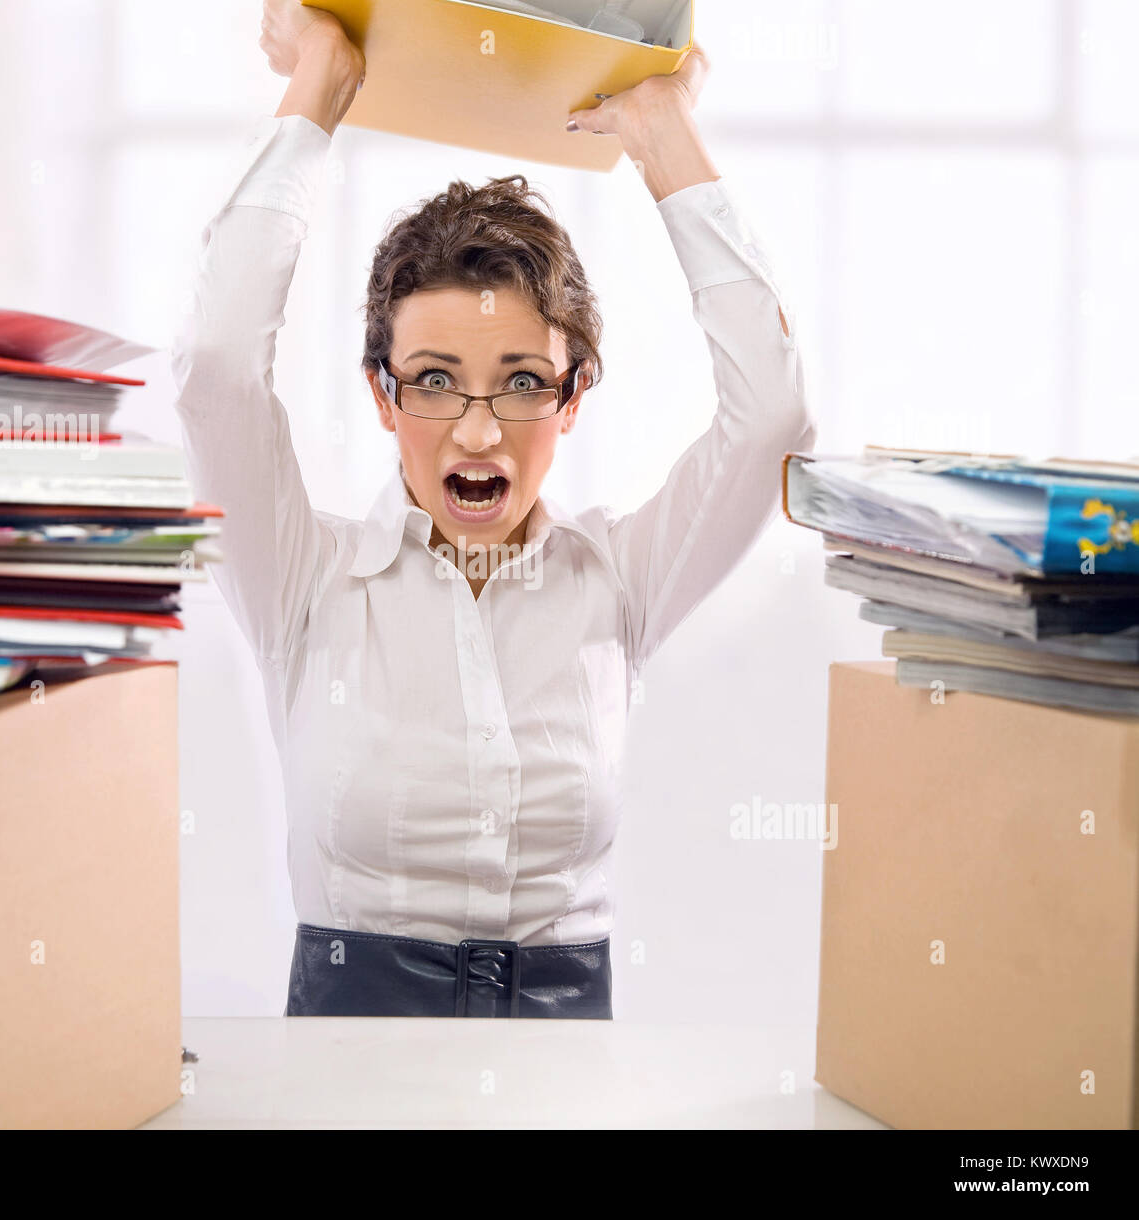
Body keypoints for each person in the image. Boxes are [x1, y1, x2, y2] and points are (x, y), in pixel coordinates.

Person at [171, 0, 816, 1019]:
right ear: (382, 395)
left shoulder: (616, 580)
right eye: (434, 380)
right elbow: (216, 369)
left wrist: (662, 135)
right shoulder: (305, 577)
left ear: (573, 394)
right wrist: (319, 82)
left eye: (520, 381)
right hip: (347, 1062)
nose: (477, 432)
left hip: (567, 1061)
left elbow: (774, 414)